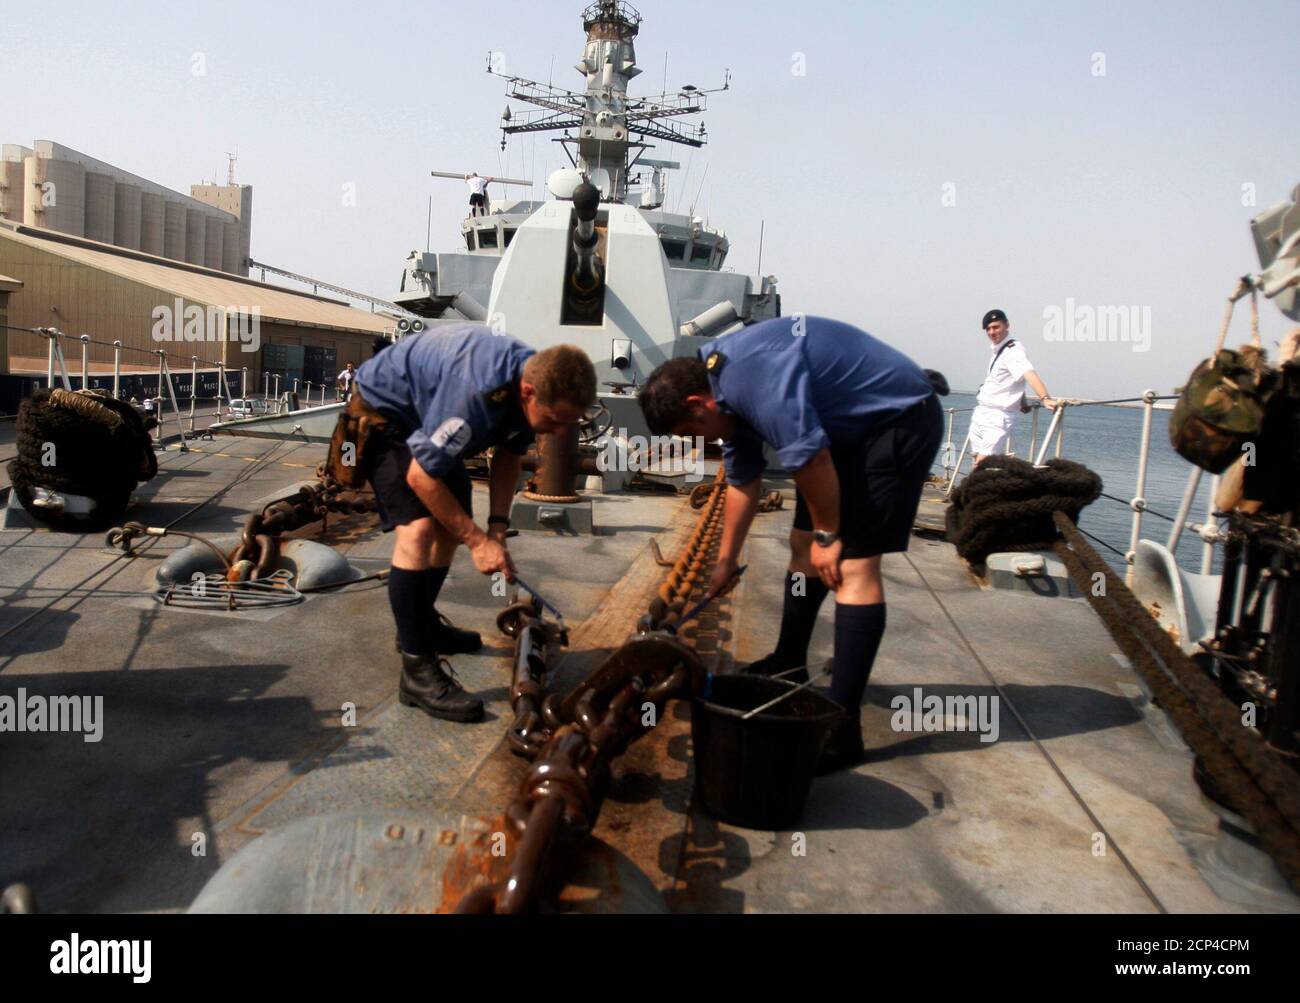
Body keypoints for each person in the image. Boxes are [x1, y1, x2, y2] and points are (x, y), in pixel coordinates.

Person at [638, 316, 943, 773]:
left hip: (897, 424)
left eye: (689, 433)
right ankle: (789, 662)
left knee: (854, 568)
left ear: (698, 404)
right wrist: (724, 562)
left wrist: (829, 534)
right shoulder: (721, 386)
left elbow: (811, 457)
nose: (696, 442)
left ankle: (842, 726)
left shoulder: (751, 378)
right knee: (802, 550)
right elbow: (743, 484)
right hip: (845, 436)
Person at [352, 325, 596, 723]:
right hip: (387, 413)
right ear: (529, 394)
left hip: (428, 412)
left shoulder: (530, 379)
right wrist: (478, 541)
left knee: (452, 522)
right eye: (553, 421)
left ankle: (422, 624)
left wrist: (497, 527)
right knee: (420, 530)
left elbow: (508, 455)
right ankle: (415, 671)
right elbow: (420, 476)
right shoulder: (477, 395)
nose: (556, 432)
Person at [969, 309, 1057, 465]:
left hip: (997, 416)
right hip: (982, 412)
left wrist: (1045, 398)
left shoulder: (1013, 351)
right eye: (988, 329)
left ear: (1007, 325)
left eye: (996, 327)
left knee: (982, 464)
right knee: (977, 460)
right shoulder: (998, 351)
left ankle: (972, 489)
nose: (992, 332)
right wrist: (1022, 401)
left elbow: (1029, 374)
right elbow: (1012, 380)